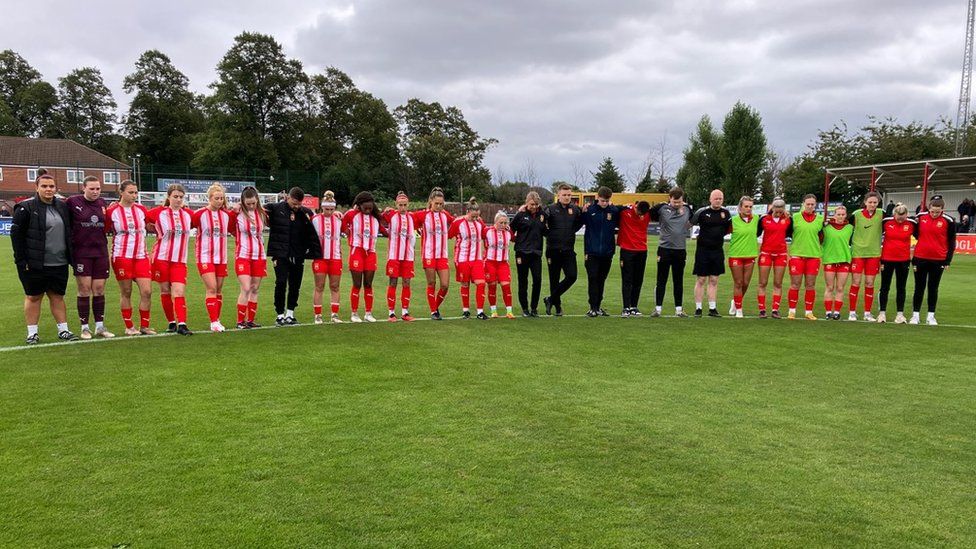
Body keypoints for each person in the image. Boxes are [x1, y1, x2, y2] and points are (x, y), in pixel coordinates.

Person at [10, 171, 78, 344]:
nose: (48, 189)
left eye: (51, 186)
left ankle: (63, 330)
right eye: (44, 186)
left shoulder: (62, 206)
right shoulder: (26, 208)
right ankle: (32, 333)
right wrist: (21, 261)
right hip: (34, 263)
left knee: (57, 296)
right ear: (37, 188)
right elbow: (16, 237)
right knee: (34, 297)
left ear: (56, 188)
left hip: (59, 262)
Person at [265, 186, 321, 326]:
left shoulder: (305, 213)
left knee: (295, 285)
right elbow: (257, 209)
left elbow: (318, 222)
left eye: (299, 204)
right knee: (281, 282)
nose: (296, 206)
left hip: (298, 254)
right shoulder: (275, 208)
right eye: (294, 203)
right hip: (280, 253)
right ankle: (279, 314)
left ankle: (290, 313)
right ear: (288, 198)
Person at [66, 175, 113, 339]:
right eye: (91, 188)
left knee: (99, 289)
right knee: (84, 289)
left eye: (98, 189)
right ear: (83, 188)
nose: (95, 192)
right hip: (82, 253)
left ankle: (100, 327)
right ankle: (85, 327)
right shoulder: (72, 202)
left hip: (100, 252)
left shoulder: (102, 204)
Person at [106, 180, 155, 336]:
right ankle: (129, 326)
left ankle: (145, 326)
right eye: (131, 192)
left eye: (136, 192)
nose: (134, 195)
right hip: (122, 256)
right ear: (121, 192)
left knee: (147, 291)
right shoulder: (112, 212)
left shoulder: (141, 210)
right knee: (126, 291)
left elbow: (150, 225)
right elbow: (103, 231)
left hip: (141, 256)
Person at [146, 184, 193, 336]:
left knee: (179, 291)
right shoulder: (158, 213)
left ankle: (182, 324)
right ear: (168, 197)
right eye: (175, 197)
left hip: (180, 260)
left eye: (181, 197)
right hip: (161, 258)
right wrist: (150, 227)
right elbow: (141, 217)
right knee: (165, 290)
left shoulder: (188, 214)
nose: (178, 200)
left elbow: (206, 215)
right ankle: (172, 322)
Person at [191, 183, 232, 332]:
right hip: (205, 257)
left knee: (219, 290)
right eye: (216, 198)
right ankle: (213, 321)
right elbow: (187, 225)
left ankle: (217, 319)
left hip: (221, 258)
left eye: (221, 198)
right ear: (209, 198)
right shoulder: (200, 214)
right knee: (212, 288)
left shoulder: (227, 215)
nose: (219, 201)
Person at [910, 196, 956, 325]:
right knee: (919, 287)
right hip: (920, 258)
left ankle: (931, 316)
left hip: (938, 259)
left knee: (933, 288)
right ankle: (915, 315)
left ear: (942, 209)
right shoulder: (920, 217)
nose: (935, 214)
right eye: (932, 211)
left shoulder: (949, 220)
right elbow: (915, 234)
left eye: (938, 211)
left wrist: (947, 260)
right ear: (929, 208)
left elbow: (951, 242)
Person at [411, 187, 454, 320]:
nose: (439, 206)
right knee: (431, 283)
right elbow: (406, 217)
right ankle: (434, 312)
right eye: (437, 204)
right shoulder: (422, 215)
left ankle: (435, 307)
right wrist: (390, 211)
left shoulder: (445, 215)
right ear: (431, 201)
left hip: (442, 255)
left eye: (441, 204)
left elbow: (456, 222)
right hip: (429, 255)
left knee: (445, 285)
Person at [649, 187, 693, 317]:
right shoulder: (662, 208)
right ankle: (657, 309)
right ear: (670, 199)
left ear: (682, 200)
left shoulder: (687, 210)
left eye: (679, 202)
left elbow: (693, 218)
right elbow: (649, 212)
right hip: (664, 249)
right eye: (675, 202)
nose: (677, 204)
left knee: (678, 280)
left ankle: (679, 310)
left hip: (680, 250)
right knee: (661, 280)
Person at [542, 184, 585, 316]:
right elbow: (542, 225)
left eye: (569, 195)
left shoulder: (575, 210)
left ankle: (550, 299)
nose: (567, 197)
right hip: (553, 250)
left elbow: (579, 223)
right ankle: (558, 307)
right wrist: (551, 235)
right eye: (564, 195)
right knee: (554, 279)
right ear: (558, 195)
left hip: (568, 250)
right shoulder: (550, 209)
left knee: (572, 276)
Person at [343, 191, 384, 323]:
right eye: (365, 208)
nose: (367, 210)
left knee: (368, 284)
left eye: (370, 208)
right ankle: (354, 313)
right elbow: (343, 225)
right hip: (357, 252)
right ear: (359, 205)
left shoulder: (376, 218)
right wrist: (348, 233)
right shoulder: (352, 215)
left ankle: (368, 313)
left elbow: (385, 229)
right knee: (357, 284)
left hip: (371, 253)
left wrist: (389, 211)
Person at [691, 189, 731, 317]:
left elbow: (727, 229)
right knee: (701, 279)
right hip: (703, 251)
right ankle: (698, 308)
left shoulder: (726, 213)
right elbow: (690, 223)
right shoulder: (702, 212)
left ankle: (712, 308)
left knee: (714, 279)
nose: (718, 201)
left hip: (717, 250)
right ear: (710, 199)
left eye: (720, 198)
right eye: (716, 198)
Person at [581, 187, 620, 317]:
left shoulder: (613, 211)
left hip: (607, 252)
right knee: (593, 279)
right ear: (597, 197)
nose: (604, 203)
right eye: (602, 200)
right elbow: (578, 221)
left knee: (601, 280)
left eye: (607, 201)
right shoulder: (589, 210)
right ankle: (592, 307)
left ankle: (598, 306)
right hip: (591, 252)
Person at [233, 186, 267, 330]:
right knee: (246, 287)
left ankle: (251, 320)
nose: (251, 206)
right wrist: (233, 207)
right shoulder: (237, 213)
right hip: (243, 255)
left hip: (259, 255)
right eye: (248, 203)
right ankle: (240, 321)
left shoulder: (262, 213)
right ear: (243, 202)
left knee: (254, 289)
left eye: (253, 203)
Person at [847, 191, 884, 322]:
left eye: (875, 202)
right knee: (856, 282)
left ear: (878, 203)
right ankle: (852, 312)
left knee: (869, 283)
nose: (872, 204)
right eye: (870, 202)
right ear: (865, 202)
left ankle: (867, 313)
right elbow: (845, 228)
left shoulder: (882, 214)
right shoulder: (856, 215)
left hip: (873, 254)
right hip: (858, 253)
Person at [449, 198, 488, 319]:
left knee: (481, 284)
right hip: (462, 258)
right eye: (474, 215)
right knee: (465, 284)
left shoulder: (479, 223)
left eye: (477, 215)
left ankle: (480, 312)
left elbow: (485, 233)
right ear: (468, 211)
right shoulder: (458, 222)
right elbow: (449, 234)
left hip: (476, 259)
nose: (476, 218)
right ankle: (465, 310)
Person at [787, 194, 824, 321]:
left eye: (812, 204)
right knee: (795, 284)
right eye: (807, 204)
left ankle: (809, 312)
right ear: (803, 204)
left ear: (815, 205)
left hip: (813, 256)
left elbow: (822, 237)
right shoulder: (795, 217)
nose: (809, 206)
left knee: (810, 285)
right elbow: (787, 232)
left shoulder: (820, 219)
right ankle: (792, 311)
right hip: (797, 255)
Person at [382, 191, 417, 322]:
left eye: (405, 205)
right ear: (396, 205)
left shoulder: (412, 217)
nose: (402, 207)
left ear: (408, 205)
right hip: (394, 256)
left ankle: (405, 312)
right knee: (393, 282)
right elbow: (376, 217)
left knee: (407, 283)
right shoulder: (390, 215)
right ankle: (391, 313)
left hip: (408, 256)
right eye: (400, 205)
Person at [877, 203, 914, 324]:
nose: (900, 220)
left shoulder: (911, 224)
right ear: (894, 214)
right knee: (884, 287)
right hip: (887, 259)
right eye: (898, 217)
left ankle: (900, 314)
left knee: (901, 287)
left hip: (903, 260)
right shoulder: (886, 222)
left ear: (907, 215)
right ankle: (882, 313)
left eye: (903, 218)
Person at [311, 191, 344, 324]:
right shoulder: (315, 220)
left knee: (335, 286)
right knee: (319, 286)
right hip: (320, 258)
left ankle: (334, 315)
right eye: (327, 209)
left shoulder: (339, 220)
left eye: (332, 209)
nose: (329, 212)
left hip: (335, 258)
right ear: (322, 207)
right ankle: (318, 315)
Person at [511, 192, 545, 317]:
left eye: (536, 204)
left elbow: (545, 230)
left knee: (537, 280)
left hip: (536, 253)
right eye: (531, 204)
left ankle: (534, 308)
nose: (534, 206)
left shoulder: (542, 215)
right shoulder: (520, 215)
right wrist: (516, 240)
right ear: (527, 202)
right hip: (522, 253)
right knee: (523, 281)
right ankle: (525, 308)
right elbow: (510, 229)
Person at [756, 198, 790, 319]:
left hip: (781, 254)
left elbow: (791, 233)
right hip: (766, 253)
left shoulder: (787, 220)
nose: (778, 214)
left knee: (778, 283)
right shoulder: (764, 219)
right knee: (763, 282)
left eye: (781, 212)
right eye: (776, 211)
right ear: (772, 208)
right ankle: (762, 309)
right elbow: (756, 233)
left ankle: (775, 310)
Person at [726, 196, 759, 318]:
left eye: (750, 207)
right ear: (740, 207)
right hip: (736, 255)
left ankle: (735, 301)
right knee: (738, 283)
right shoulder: (732, 221)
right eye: (746, 206)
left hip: (750, 255)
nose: (748, 209)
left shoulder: (756, 219)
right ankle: (739, 309)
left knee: (745, 283)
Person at [618, 201, 651, 317]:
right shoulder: (625, 211)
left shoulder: (647, 213)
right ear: (636, 207)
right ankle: (626, 307)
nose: (640, 215)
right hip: (627, 250)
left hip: (642, 250)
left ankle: (634, 306)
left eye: (642, 214)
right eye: (639, 213)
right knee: (627, 279)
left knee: (638, 280)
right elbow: (612, 208)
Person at [821, 205, 854, 320]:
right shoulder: (826, 227)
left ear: (846, 215)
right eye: (838, 214)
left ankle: (837, 312)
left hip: (844, 260)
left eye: (843, 214)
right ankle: (828, 311)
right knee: (830, 287)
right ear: (834, 215)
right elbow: (819, 238)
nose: (840, 217)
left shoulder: (850, 227)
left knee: (840, 288)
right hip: (829, 259)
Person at [484, 210, 515, 319]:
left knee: (506, 286)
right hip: (490, 262)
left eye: (505, 223)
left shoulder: (508, 233)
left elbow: (517, 239)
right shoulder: (487, 231)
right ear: (495, 222)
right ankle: (493, 311)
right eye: (500, 223)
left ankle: (509, 311)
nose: (503, 225)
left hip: (503, 263)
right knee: (492, 286)